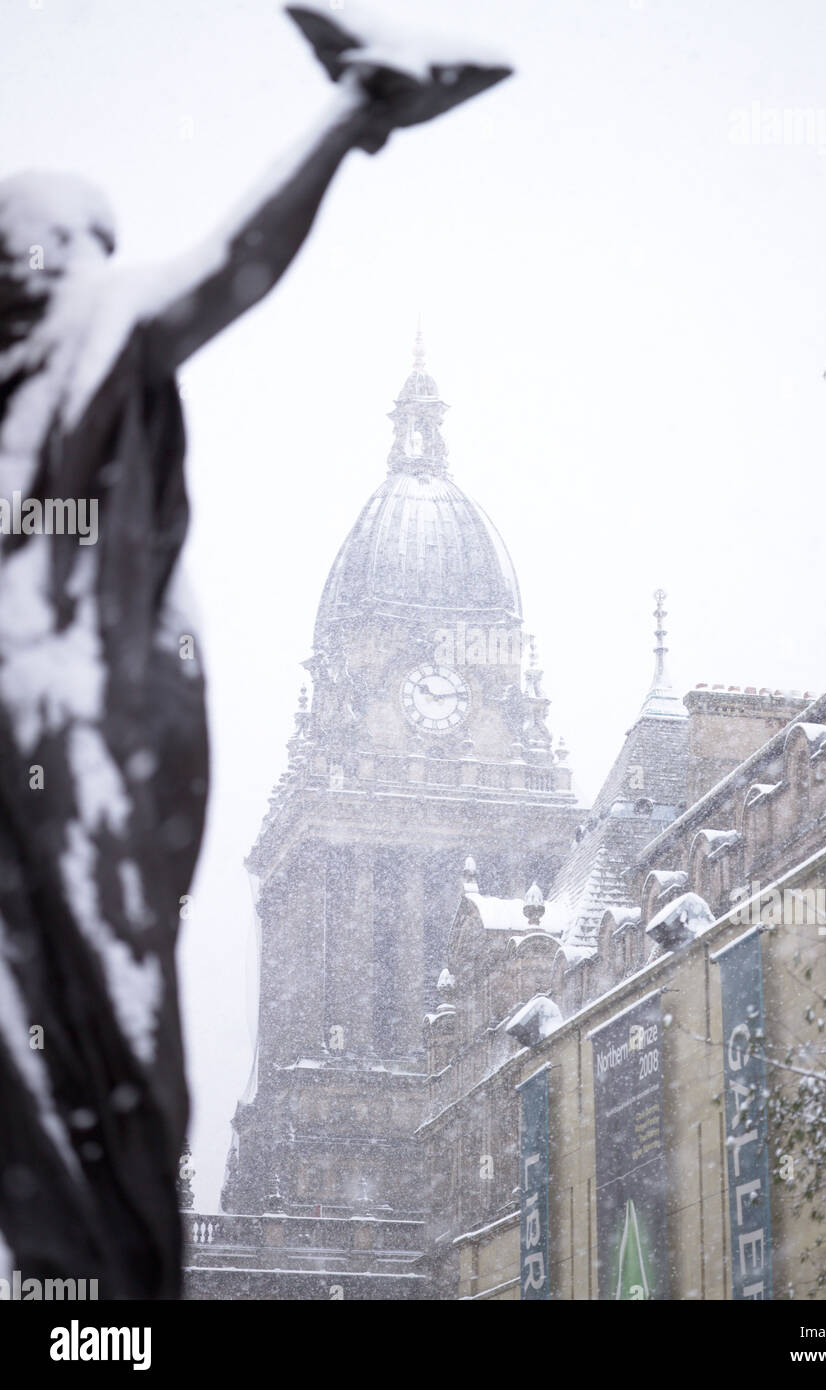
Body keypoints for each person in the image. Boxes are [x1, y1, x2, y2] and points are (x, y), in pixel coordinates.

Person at [0, 7, 509, 1299]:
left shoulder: (88, 354)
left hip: (70, 746)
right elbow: (231, 262)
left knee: (87, 1062)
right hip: (47, 747)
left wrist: (350, 116)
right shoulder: (62, 368)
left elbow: (231, 261)